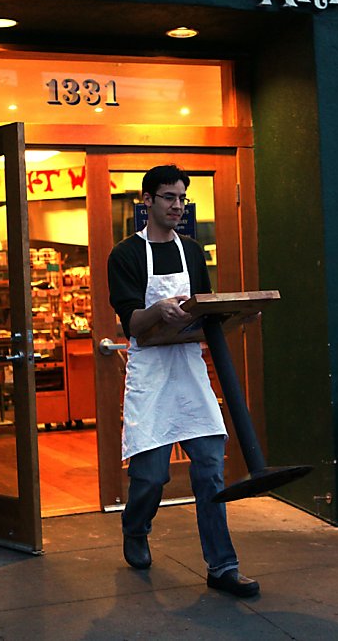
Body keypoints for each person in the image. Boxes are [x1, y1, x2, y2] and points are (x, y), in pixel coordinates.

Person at [107, 164, 259, 598]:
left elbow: (204, 309)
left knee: (211, 468)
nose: (178, 206)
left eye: (182, 199)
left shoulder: (192, 251)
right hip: (152, 374)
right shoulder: (126, 256)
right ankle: (135, 527)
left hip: (189, 369)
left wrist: (239, 314)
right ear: (147, 201)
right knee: (151, 477)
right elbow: (133, 323)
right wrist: (162, 310)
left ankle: (223, 566)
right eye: (169, 198)